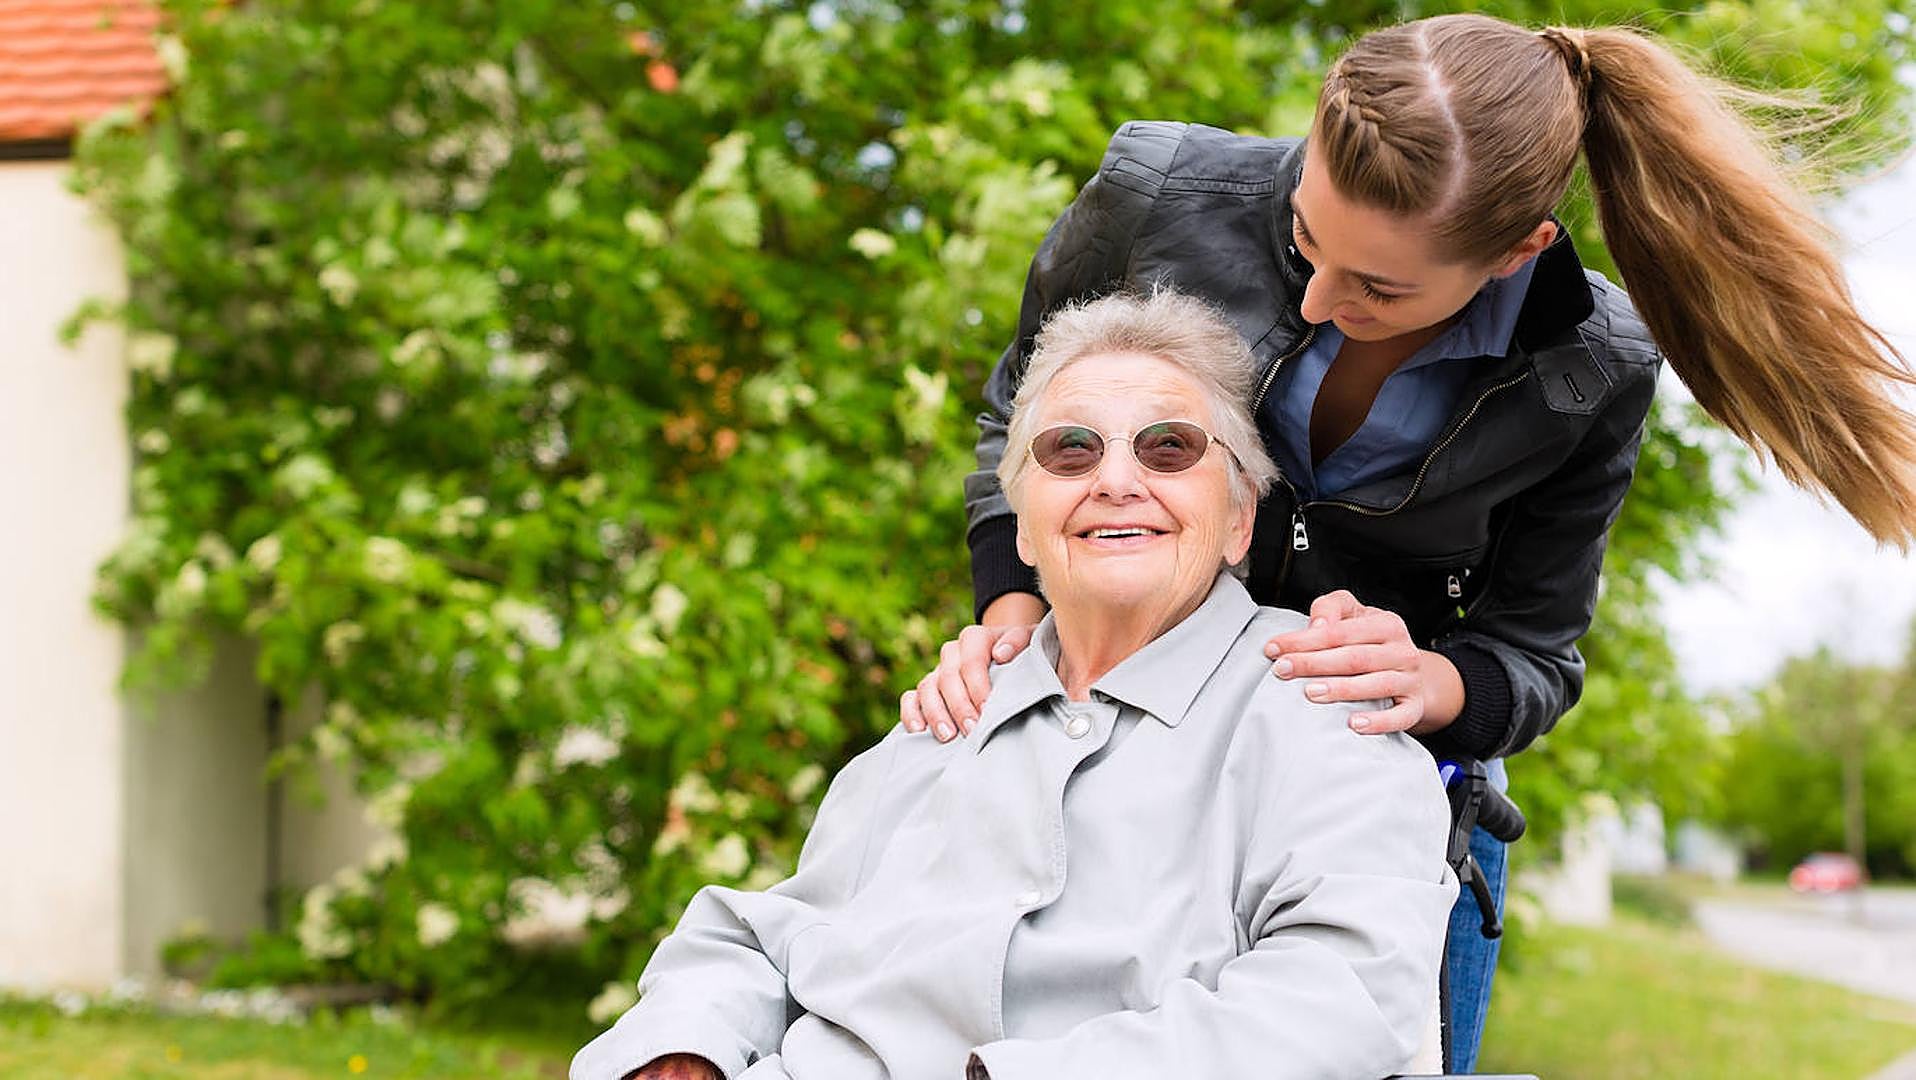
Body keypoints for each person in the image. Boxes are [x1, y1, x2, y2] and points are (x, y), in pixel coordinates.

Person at [901, 14, 1916, 1072]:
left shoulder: (1589, 373)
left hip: (1378, 829)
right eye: (1303, 238)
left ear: (1517, 252)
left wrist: (1431, 681)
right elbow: (1021, 411)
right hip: (1123, 773)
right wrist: (1010, 616)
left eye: (1378, 288)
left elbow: (1531, 657)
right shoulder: (1155, 191)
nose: (1316, 298)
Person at [573, 291, 1458, 1080]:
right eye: (1070, 450)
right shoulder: (948, 710)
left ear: (1237, 519)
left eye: (1169, 446)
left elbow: (1337, 999)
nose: (1116, 480)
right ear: (1023, 532)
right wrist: (680, 1047)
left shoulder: (1317, 700)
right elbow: (768, 936)